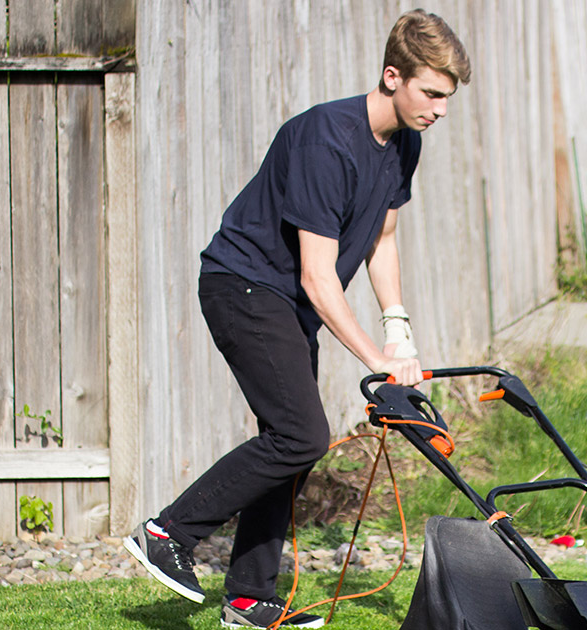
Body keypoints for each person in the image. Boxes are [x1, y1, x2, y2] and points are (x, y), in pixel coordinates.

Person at [123, 9, 471, 629]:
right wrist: (379, 362)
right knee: (301, 435)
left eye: (449, 97)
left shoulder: (403, 144)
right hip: (245, 286)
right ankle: (166, 531)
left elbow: (382, 239)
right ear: (393, 76)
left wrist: (398, 327)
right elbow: (317, 275)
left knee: (290, 444)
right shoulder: (325, 139)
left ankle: (248, 598)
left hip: (283, 300)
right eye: (433, 93)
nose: (442, 108)